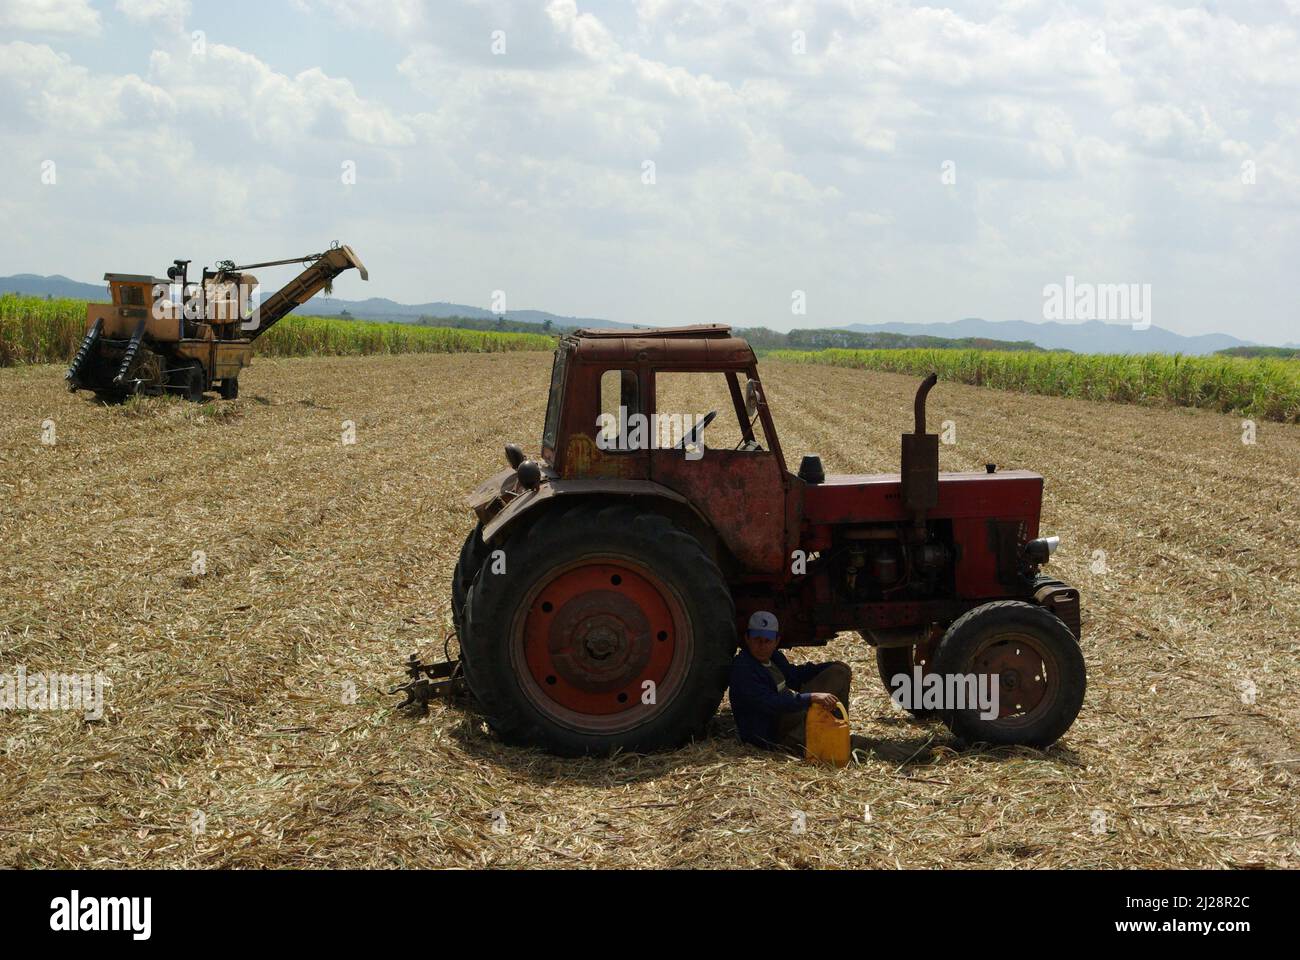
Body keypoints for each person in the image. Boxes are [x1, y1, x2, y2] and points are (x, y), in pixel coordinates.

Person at [728, 610, 851, 752]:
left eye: (767, 641)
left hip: (788, 715)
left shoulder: (773, 657)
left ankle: (834, 729)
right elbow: (770, 703)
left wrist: (832, 666)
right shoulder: (743, 668)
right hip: (772, 732)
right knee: (849, 746)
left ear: (776, 641)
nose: (762, 646)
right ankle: (800, 741)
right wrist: (811, 697)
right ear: (747, 639)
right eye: (757, 640)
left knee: (838, 672)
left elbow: (795, 676)